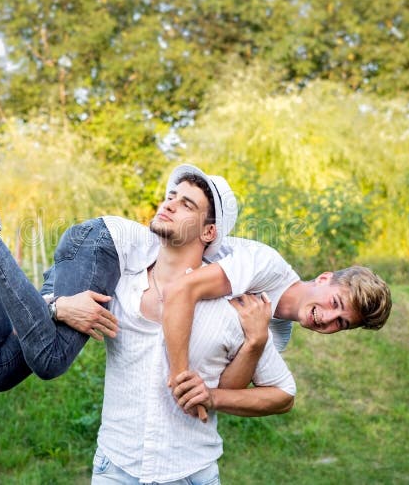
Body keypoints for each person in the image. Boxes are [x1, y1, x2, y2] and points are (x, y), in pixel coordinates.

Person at [0, 165, 391, 400]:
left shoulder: (277, 331)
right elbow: (183, 291)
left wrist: (255, 341)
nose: (326, 318)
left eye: (340, 323)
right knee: (52, 359)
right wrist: (180, 375)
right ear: (325, 278)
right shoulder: (262, 265)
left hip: (111, 260)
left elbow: (228, 385)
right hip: (106, 247)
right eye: (334, 302)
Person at [87, 169, 296, 483]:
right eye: (171, 197)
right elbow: (40, 322)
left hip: (189, 472)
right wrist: (59, 305)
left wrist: (213, 396)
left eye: (186, 205)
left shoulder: (234, 308)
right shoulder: (120, 282)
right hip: (115, 468)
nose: (168, 205)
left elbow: (284, 395)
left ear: (209, 232)